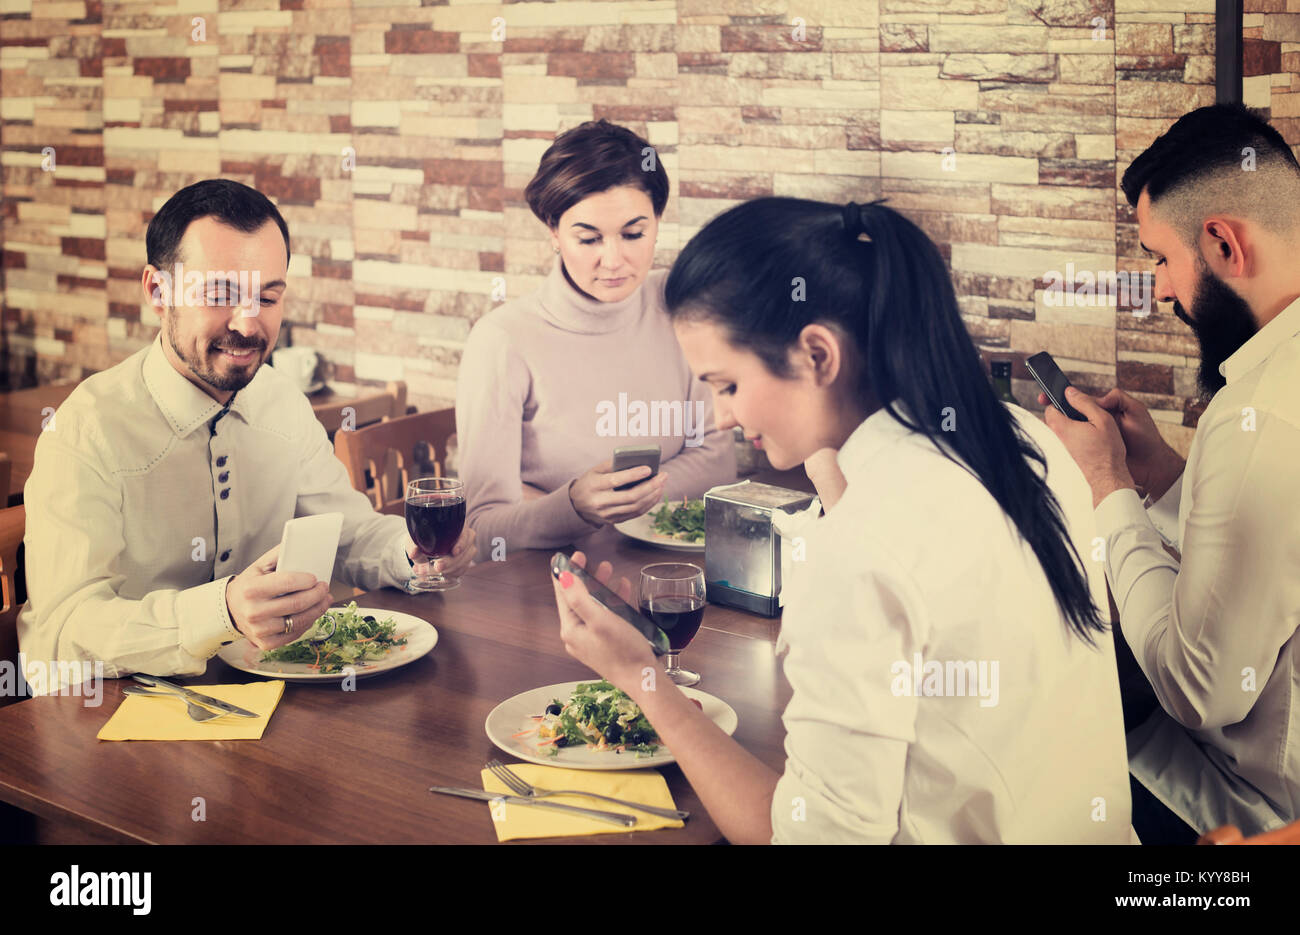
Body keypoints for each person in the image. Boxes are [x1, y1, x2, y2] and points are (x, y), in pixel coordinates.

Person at [551, 197, 1133, 843]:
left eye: (728, 385)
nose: (719, 417)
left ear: (818, 356)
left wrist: (643, 677)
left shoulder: (856, 550)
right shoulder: (1026, 441)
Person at [17, 179, 474, 687]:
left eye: (267, 296)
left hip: (270, 710)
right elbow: (60, 639)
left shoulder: (279, 400)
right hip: (121, 729)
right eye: (220, 293)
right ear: (157, 291)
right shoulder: (85, 430)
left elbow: (347, 536)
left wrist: (410, 553)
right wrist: (223, 612)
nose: (249, 323)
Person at [1042, 104, 1300, 842]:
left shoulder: (1261, 414)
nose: (1158, 290)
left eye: (1160, 259)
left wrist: (1108, 487)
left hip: (1243, 808)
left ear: (1222, 242)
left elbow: (1196, 688)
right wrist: (1161, 476)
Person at [455, 119, 735, 562]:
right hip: (546, 585)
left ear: (658, 222)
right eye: (588, 238)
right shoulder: (503, 340)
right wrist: (574, 505)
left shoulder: (681, 303)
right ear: (553, 231)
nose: (613, 260)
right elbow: (481, 528)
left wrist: (567, 501)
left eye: (633, 234)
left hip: (666, 570)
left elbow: (718, 464)